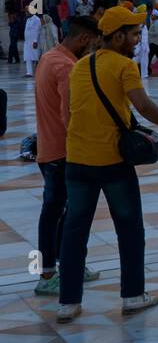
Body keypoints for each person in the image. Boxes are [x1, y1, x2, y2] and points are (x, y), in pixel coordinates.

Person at [57, 6, 158, 322]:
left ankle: (68, 302)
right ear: (117, 35)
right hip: (111, 160)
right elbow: (142, 103)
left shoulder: (80, 66)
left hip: (77, 159)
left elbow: (70, 110)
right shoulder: (125, 66)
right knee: (128, 227)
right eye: (135, 34)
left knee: (74, 230)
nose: (138, 39)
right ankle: (133, 295)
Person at [32, 15, 102, 298]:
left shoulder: (49, 58)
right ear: (84, 39)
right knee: (56, 212)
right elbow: (69, 114)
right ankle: (48, 273)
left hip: (49, 150)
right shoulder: (66, 67)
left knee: (62, 213)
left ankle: (70, 263)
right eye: (92, 44)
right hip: (62, 152)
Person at [24, 9, 41, 77]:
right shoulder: (28, 20)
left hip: (33, 42)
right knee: (28, 57)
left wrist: (35, 41)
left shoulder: (36, 20)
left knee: (36, 57)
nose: (26, 13)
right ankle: (29, 72)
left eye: (27, 12)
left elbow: (37, 30)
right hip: (27, 42)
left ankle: (39, 71)